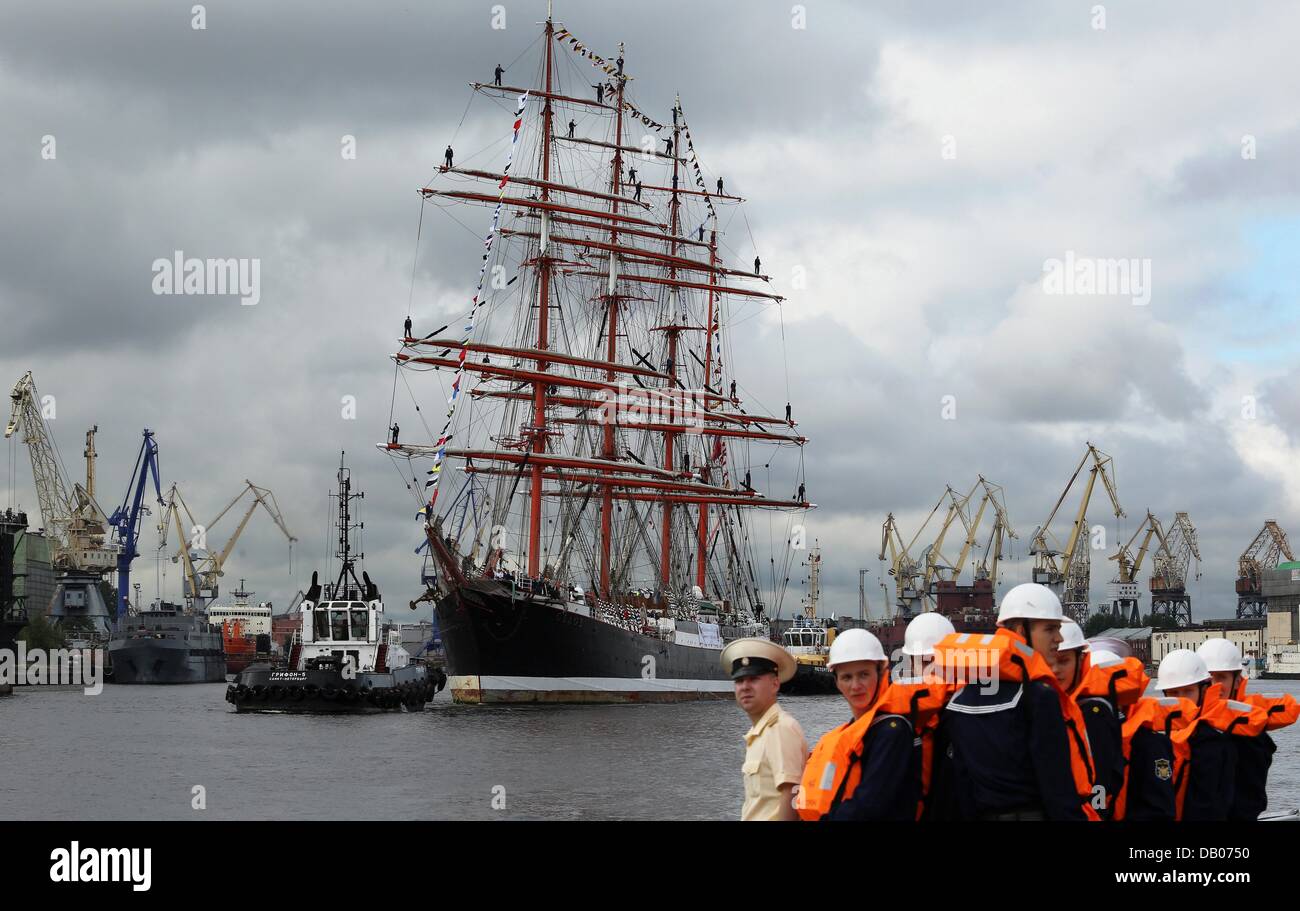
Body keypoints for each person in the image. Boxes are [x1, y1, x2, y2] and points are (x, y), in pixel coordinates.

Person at [934, 583, 1098, 820]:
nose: (1059, 638)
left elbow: (960, 783)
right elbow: (1056, 786)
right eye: (1050, 629)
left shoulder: (963, 695)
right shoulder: (1039, 696)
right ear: (1022, 630)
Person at [797, 629, 942, 821]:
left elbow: (870, 804)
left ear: (881, 673)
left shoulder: (892, 732)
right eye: (847, 677)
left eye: (863, 675)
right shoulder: (859, 729)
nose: (855, 686)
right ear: (837, 682)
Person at [1153, 649, 1263, 821]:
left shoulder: (1216, 745)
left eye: (1188, 691)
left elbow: (1220, 805)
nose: (1181, 700)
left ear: (1203, 691)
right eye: (1174, 693)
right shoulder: (1155, 740)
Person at [1197, 638, 1296, 820]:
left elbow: (1250, 798)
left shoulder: (1251, 734)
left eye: (1221, 677)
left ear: (1237, 681)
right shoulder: (1187, 725)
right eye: (1209, 678)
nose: (1215, 686)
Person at [1054, 628, 1146, 821]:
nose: (1055, 670)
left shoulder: (1093, 714)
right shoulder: (1060, 708)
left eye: (1064, 661)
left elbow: (1100, 779)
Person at [720, 637, 805, 821]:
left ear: (775, 683)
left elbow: (792, 794)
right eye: (739, 680)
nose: (745, 687)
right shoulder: (761, 733)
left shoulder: (781, 729)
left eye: (753, 679)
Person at [896, 612, 956, 820]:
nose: (933, 670)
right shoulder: (897, 724)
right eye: (926, 662)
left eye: (939, 661)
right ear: (912, 664)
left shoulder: (970, 718)